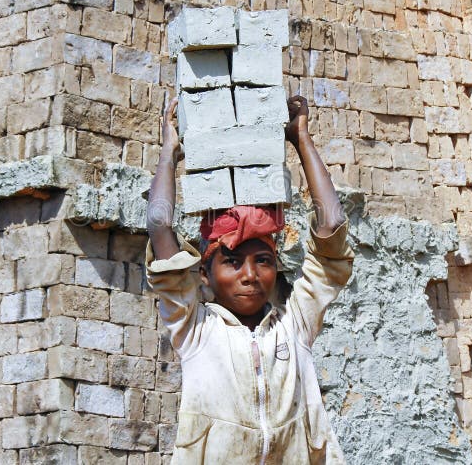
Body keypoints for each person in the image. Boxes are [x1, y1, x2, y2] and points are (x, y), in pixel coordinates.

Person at [145, 94, 354, 464]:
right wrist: (169, 153)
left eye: (263, 261)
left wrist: (301, 140)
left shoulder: (295, 327)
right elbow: (159, 224)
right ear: (204, 276)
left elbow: (333, 225)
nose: (250, 275)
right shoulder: (195, 331)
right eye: (232, 262)